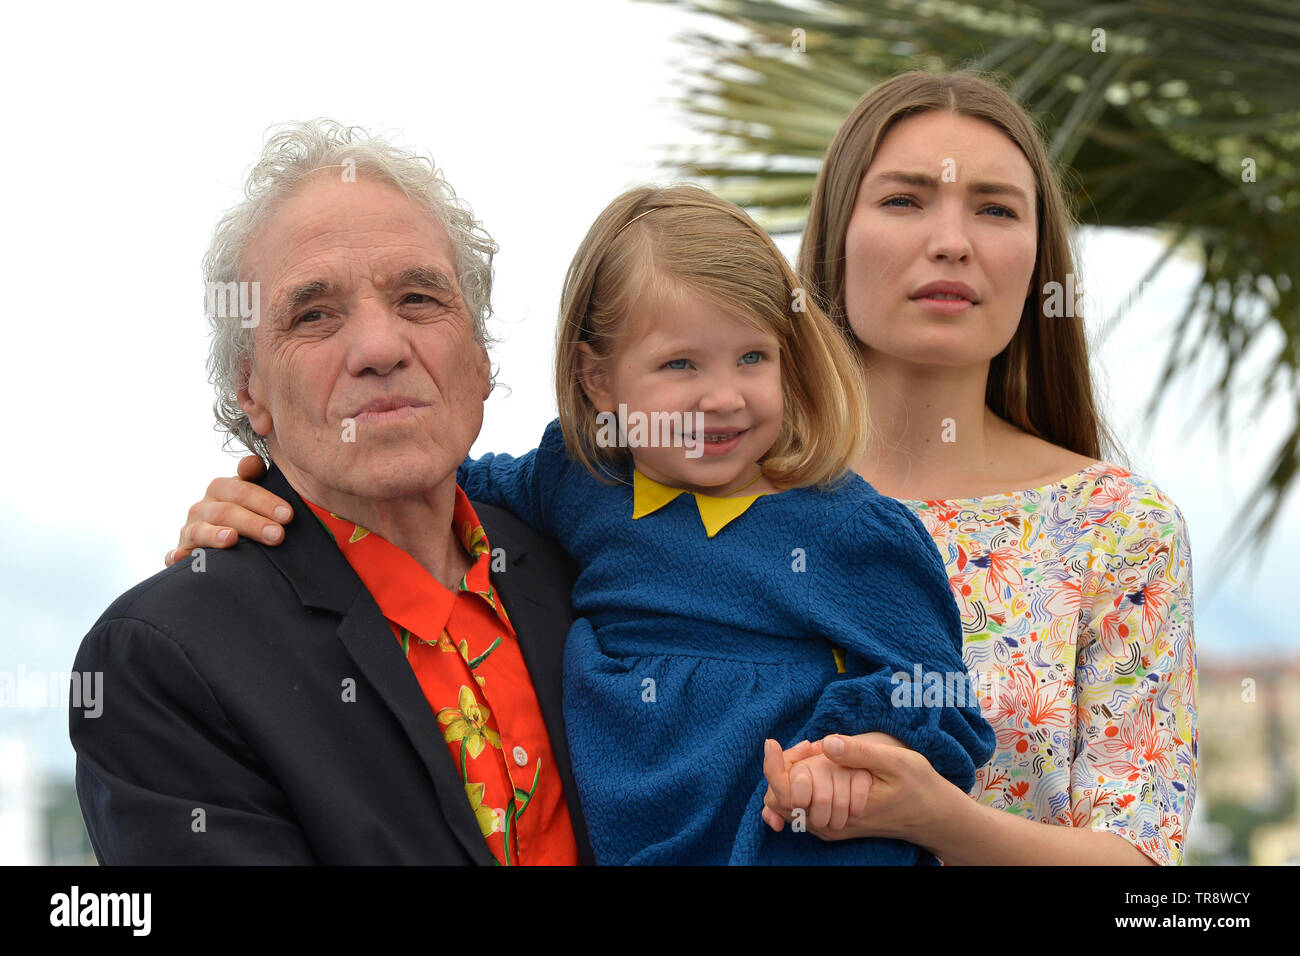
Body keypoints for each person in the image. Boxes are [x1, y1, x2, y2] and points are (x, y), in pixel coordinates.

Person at [168, 183, 997, 866]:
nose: (722, 397)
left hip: (798, 835)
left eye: (753, 358)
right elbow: (422, 473)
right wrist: (263, 494)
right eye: (679, 366)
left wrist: (843, 756)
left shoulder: (849, 529)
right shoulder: (579, 484)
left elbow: (934, 693)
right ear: (600, 383)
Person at [71, 120, 593, 865]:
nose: (380, 349)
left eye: (418, 297)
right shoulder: (166, 662)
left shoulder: (585, 563)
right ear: (250, 391)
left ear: (479, 361)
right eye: (313, 314)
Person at [759, 71, 1197, 865]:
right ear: (836, 239)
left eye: (995, 209)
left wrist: (942, 821)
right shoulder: (734, 493)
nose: (952, 240)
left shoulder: (1119, 527)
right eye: (904, 199)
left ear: (1037, 263)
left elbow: (1143, 868)